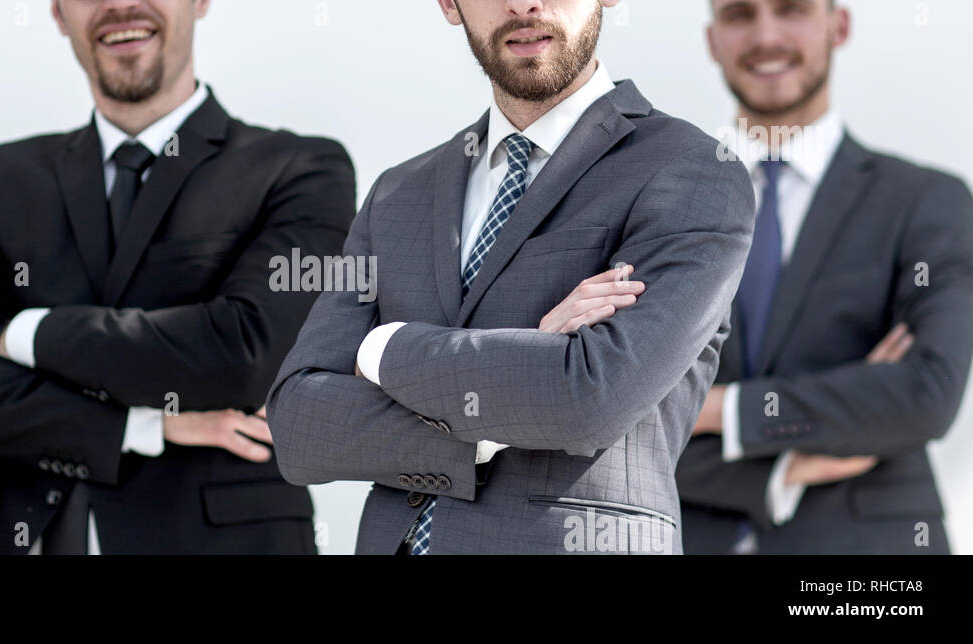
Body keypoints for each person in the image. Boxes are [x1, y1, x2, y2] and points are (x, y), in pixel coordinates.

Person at [267, 0, 754, 555]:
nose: (525, 4)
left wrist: (381, 348)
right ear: (449, 5)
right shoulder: (398, 192)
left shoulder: (691, 172)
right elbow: (299, 425)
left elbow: (587, 398)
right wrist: (522, 375)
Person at [0, 0, 356, 554]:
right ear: (58, 13)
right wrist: (141, 426)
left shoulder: (301, 169)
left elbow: (245, 357)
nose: (119, 6)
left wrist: (27, 333)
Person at [677, 0, 973, 554]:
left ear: (839, 25)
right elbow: (621, 417)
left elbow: (925, 392)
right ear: (713, 40)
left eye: (791, 10)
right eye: (740, 15)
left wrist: (714, 408)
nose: (766, 36)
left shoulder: (927, 202)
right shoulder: (662, 207)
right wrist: (783, 471)